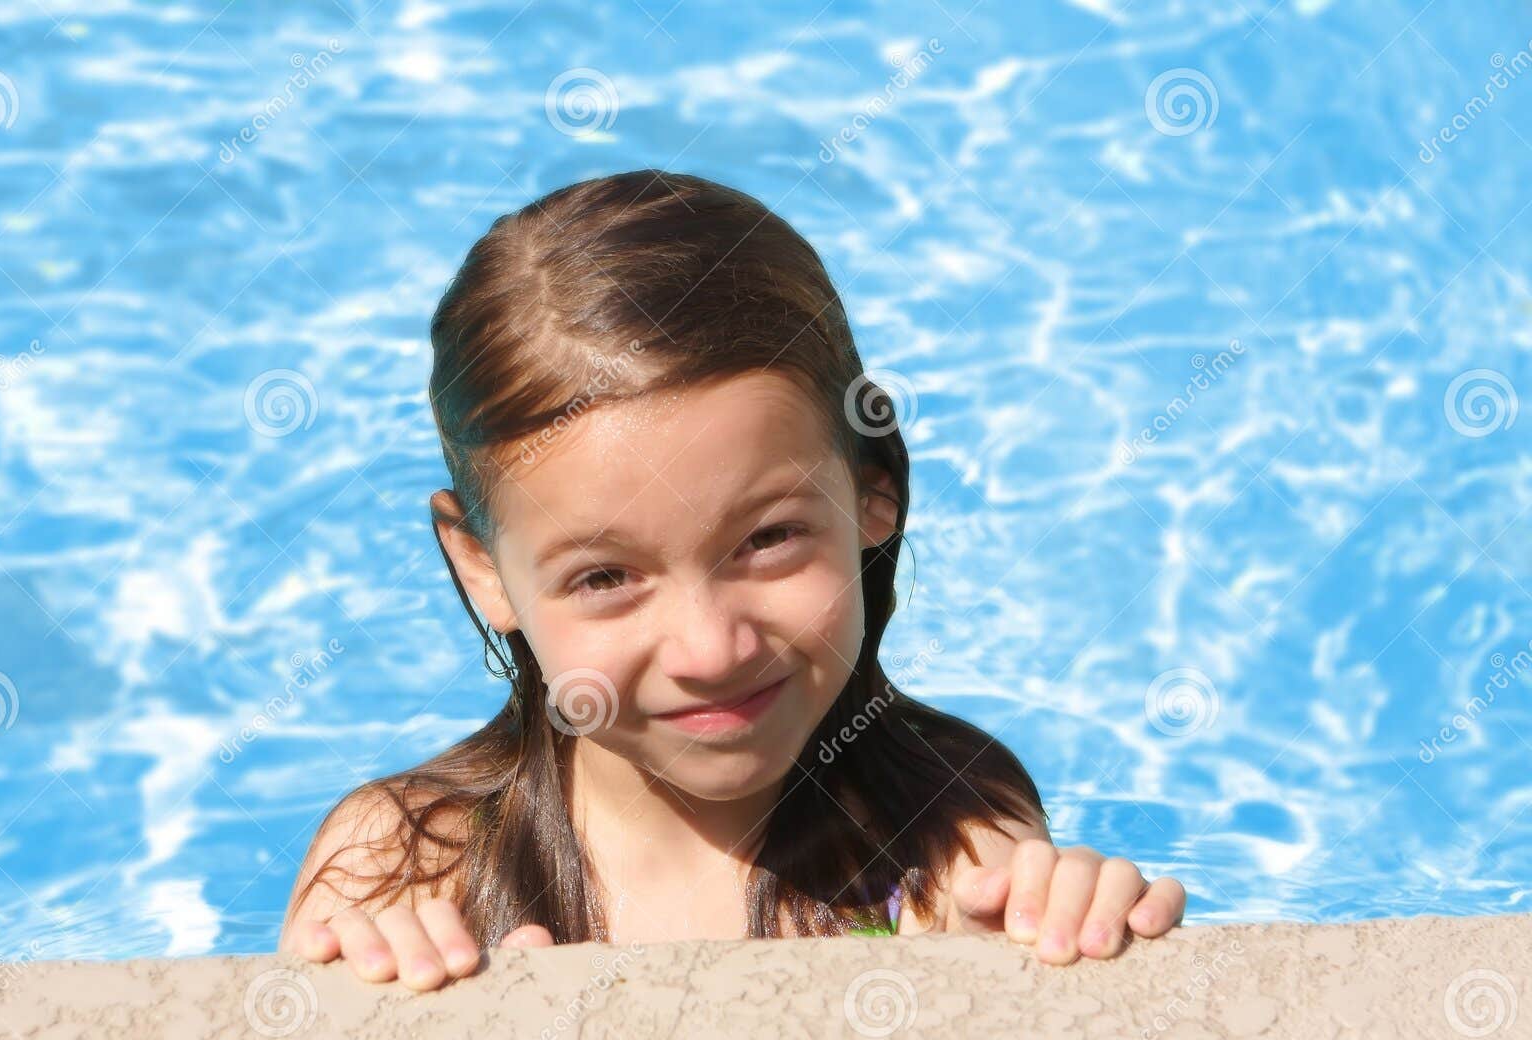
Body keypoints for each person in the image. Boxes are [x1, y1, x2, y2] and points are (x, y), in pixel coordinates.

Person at [278, 170, 1185, 990]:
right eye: (604, 576)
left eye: (768, 538)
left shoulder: (950, 851)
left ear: (874, 497)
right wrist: (379, 1019)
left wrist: (1053, 935)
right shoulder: (401, 871)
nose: (712, 649)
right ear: (485, 570)